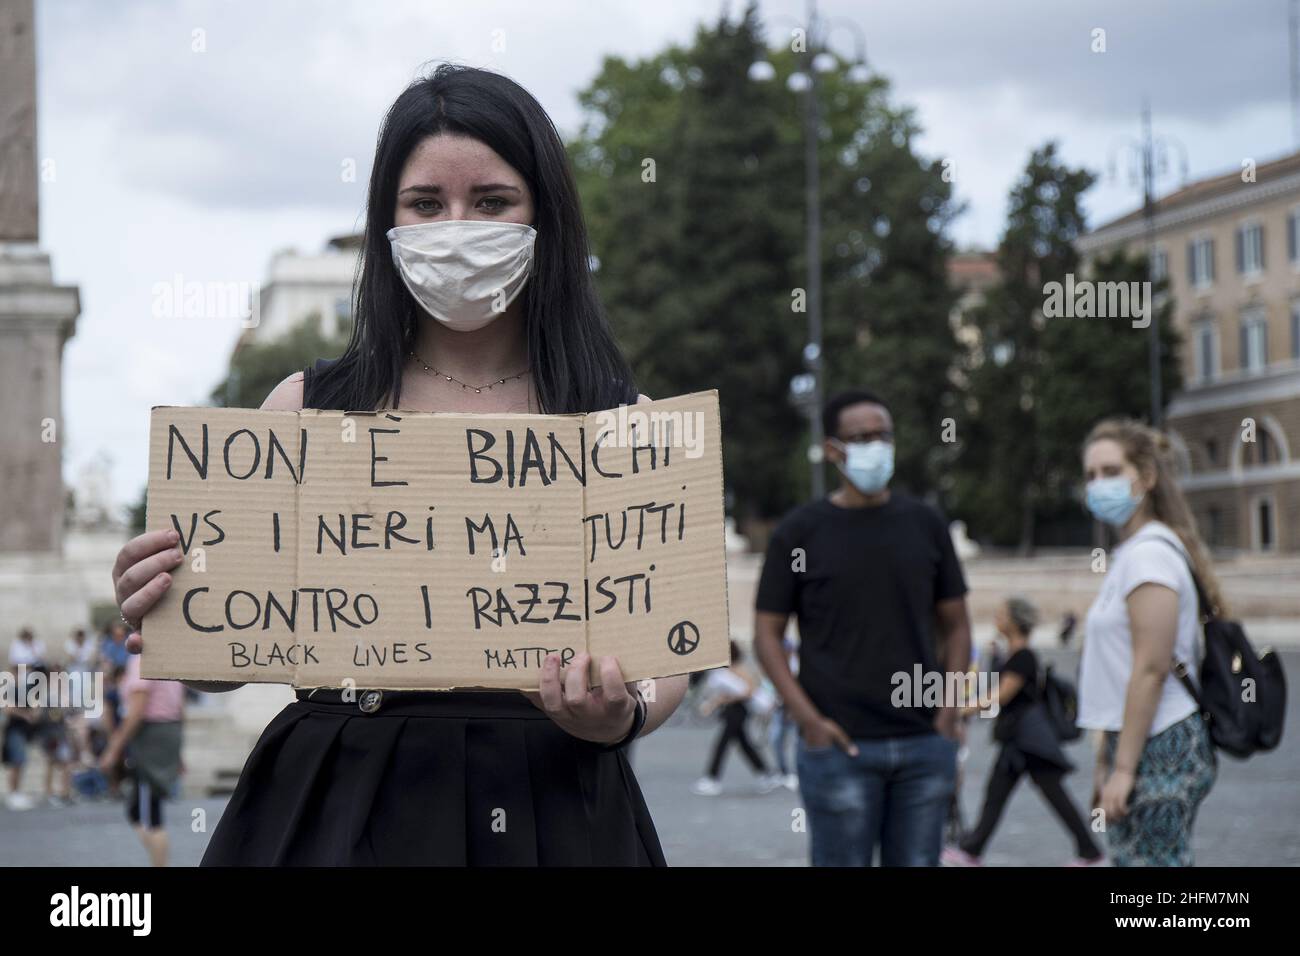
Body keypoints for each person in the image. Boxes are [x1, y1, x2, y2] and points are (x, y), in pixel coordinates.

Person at [110, 64, 685, 866]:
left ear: (544, 215)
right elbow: (235, 658)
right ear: (388, 219)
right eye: (425, 203)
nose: (456, 226)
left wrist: (619, 717)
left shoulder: (625, 419)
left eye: (491, 202)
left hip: (551, 798)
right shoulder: (303, 409)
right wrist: (169, 612)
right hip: (335, 798)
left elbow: (665, 655)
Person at [754, 389, 972, 866]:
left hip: (923, 743)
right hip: (837, 746)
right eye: (861, 437)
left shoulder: (926, 524)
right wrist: (808, 721)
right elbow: (767, 636)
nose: (875, 447)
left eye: (883, 436)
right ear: (833, 449)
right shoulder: (799, 532)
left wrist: (948, 714)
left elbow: (957, 626)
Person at [1078, 419, 1218, 867]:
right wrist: (1108, 763)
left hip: (1161, 741)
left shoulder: (1149, 555)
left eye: (1111, 471)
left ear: (1147, 477)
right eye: (1091, 475)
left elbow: (1151, 668)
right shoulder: (1134, 552)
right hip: (1143, 741)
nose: (1098, 484)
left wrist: (1123, 770)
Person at [942, 597, 1103, 866]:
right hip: (1018, 743)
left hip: (1028, 743)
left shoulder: (1023, 656)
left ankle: (1090, 852)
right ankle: (972, 850)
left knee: (1053, 796)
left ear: (1015, 621)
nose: (996, 618)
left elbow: (1001, 695)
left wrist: (957, 710)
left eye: (1002, 614)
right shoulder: (1013, 654)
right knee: (998, 795)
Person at [99, 653, 185, 866]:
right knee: (138, 810)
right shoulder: (169, 660)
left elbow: (137, 710)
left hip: (151, 735)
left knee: (149, 816)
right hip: (167, 732)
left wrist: (113, 749)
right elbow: (180, 708)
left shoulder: (143, 661)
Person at [691, 641, 783, 796]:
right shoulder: (725, 670)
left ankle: (712, 778)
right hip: (732, 710)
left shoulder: (737, 668)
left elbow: (749, 690)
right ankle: (766, 774)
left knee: (723, 743)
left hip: (739, 710)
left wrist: (724, 700)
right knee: (744, 744)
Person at [766, 634, 800, 791]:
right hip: (782, 708)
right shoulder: (782, 664)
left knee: (793, 742)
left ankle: (792, 772)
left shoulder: (795, 665)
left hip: (793, 709)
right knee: (776, 739)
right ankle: (783, 771)